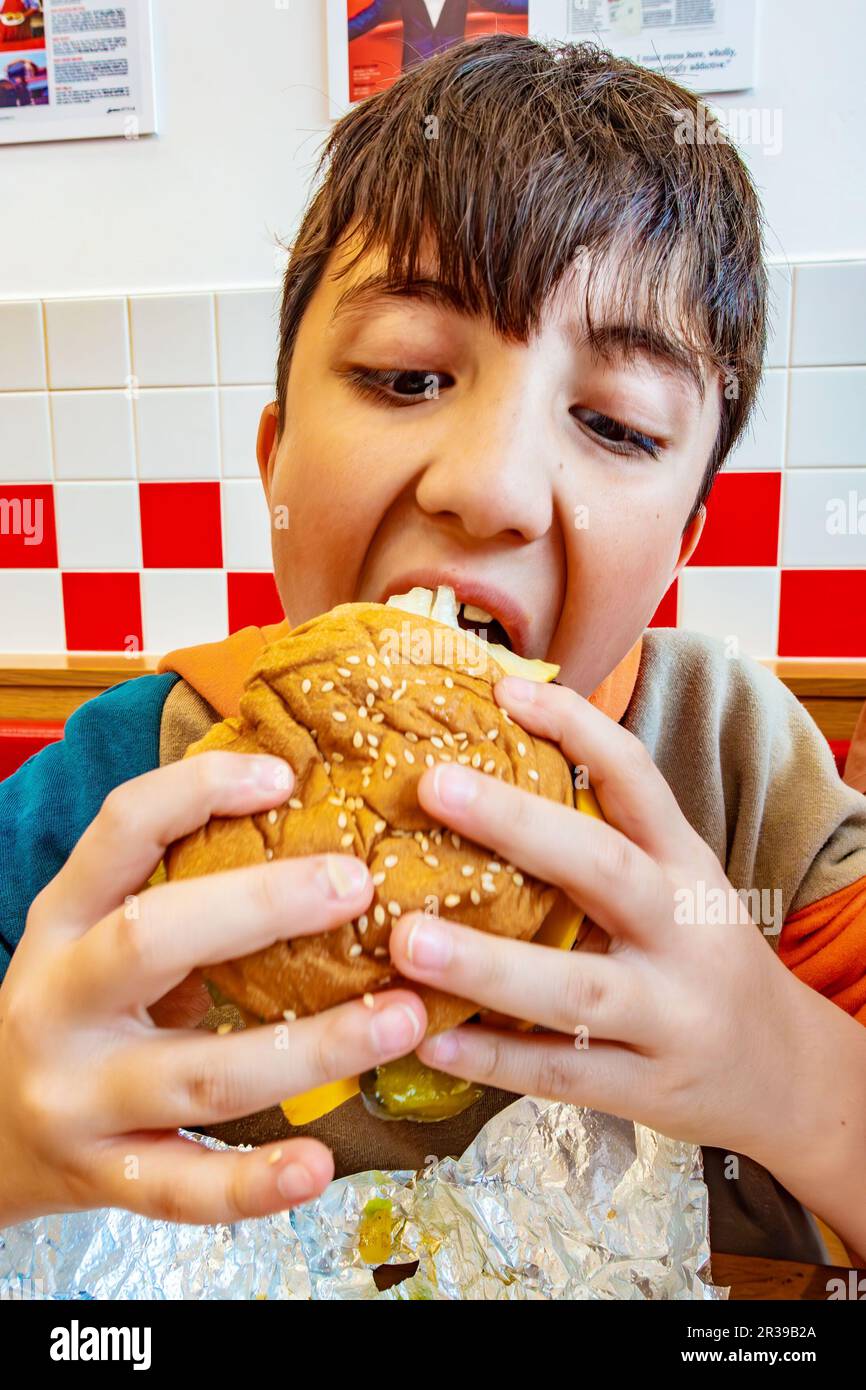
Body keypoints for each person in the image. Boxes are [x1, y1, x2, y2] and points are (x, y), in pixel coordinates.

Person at [0, 35, 864, 1268]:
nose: (491, 485)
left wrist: (781, 1066)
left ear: (680, 542)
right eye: (406, 378)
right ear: (275, 462)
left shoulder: (743, 782)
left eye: (615, 424)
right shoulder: (109, 795)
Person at [348, 0, 527, 73]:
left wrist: (537, 4)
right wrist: (340, 33)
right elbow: (370, 17)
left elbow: (503, 3)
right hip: (414, 70)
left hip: (455, 67)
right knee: (416, 128)